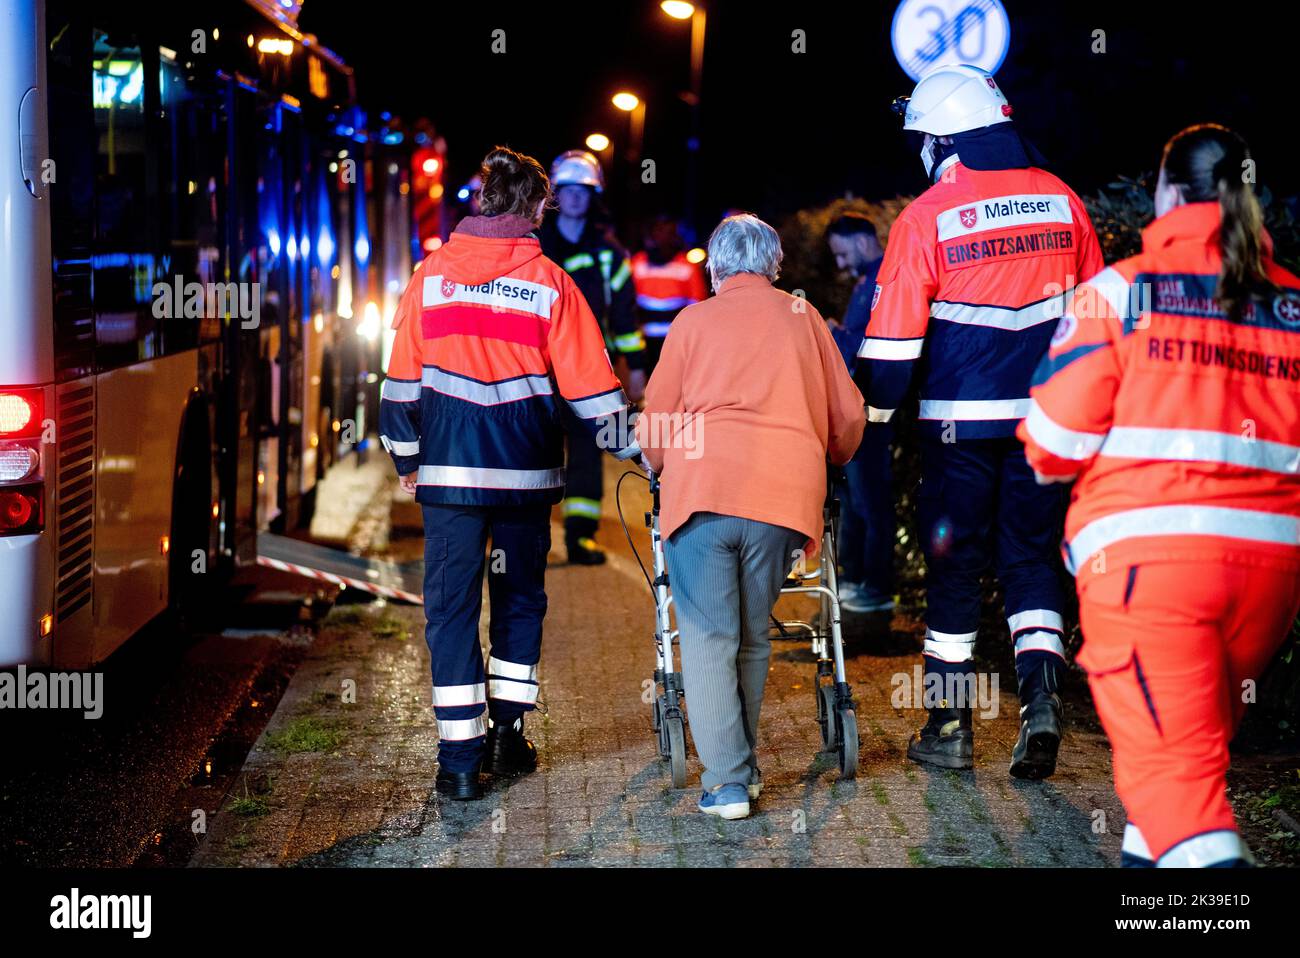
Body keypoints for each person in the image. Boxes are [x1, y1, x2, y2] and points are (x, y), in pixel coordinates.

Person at [1020, 124, 1300, 867]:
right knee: (1183, 774)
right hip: (1273, 577)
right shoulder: (1294, 304)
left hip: (1151, 575)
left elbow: (1052, 442)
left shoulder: (1121, 291)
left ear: (1168, 192)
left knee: (1174, 784)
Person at [857, 63, 1103, 777]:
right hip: (1047, 427)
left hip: (958, 430)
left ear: (947, 140)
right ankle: (1043, 706)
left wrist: (867, 420)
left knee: (954, 569)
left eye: (926, 141)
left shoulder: (926, 217)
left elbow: (892, 357)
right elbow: (1096, 323)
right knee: (1030, 560)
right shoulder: (1063, 201)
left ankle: (949, 728)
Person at [379, 146, 640, 800]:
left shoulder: (429, 277)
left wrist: (408, 461)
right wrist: (642, 452)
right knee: (520, 599)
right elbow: (593, 393)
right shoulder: (551, 282)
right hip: (524, 479)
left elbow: (398, 388)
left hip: (446, 479)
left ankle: (460, 763)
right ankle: (507, 733)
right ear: (530, 208)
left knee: (450, 610)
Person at [637, 214, 866, 819]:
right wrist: (832, 456)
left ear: (714, 267)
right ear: (775, 265)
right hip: (782, 503)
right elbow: (845, 416)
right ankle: (740, 766)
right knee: (749, 632)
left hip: (703, 493)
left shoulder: (692, 321)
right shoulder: (803, 316)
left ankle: (729, 781)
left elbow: (657, 419)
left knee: (710, 637)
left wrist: (658, 463)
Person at [539, 149, 646, 565]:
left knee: (587, 448)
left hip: (588, 367)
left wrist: (635, 369)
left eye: (585, 190)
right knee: (533, 445)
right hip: (536, 364)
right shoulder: (534, 245)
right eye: (568, 190)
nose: (576, 198)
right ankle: (523, 535)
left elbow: (624, 316)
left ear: (594, 195)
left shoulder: (608, 252)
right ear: (555, 195)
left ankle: (580, 537)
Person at [825, 212, 895, 613]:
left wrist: (835, 332)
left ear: (863, 240)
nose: (839, 264)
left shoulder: (880, 281)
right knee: (857, 497)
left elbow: (865, 342)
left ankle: (877, 588)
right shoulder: (869, 280)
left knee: (871, 500)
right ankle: (860, 579)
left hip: (874, 410)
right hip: (863, 408)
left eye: (840, 253)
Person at [631, 214, 708, 373]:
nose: (662, 238)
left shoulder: (686, 266)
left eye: (667, 232)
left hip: (676, 342)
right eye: (658, 232)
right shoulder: (637, 263)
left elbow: (698, 305)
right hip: (643, 342)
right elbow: (627, 303)